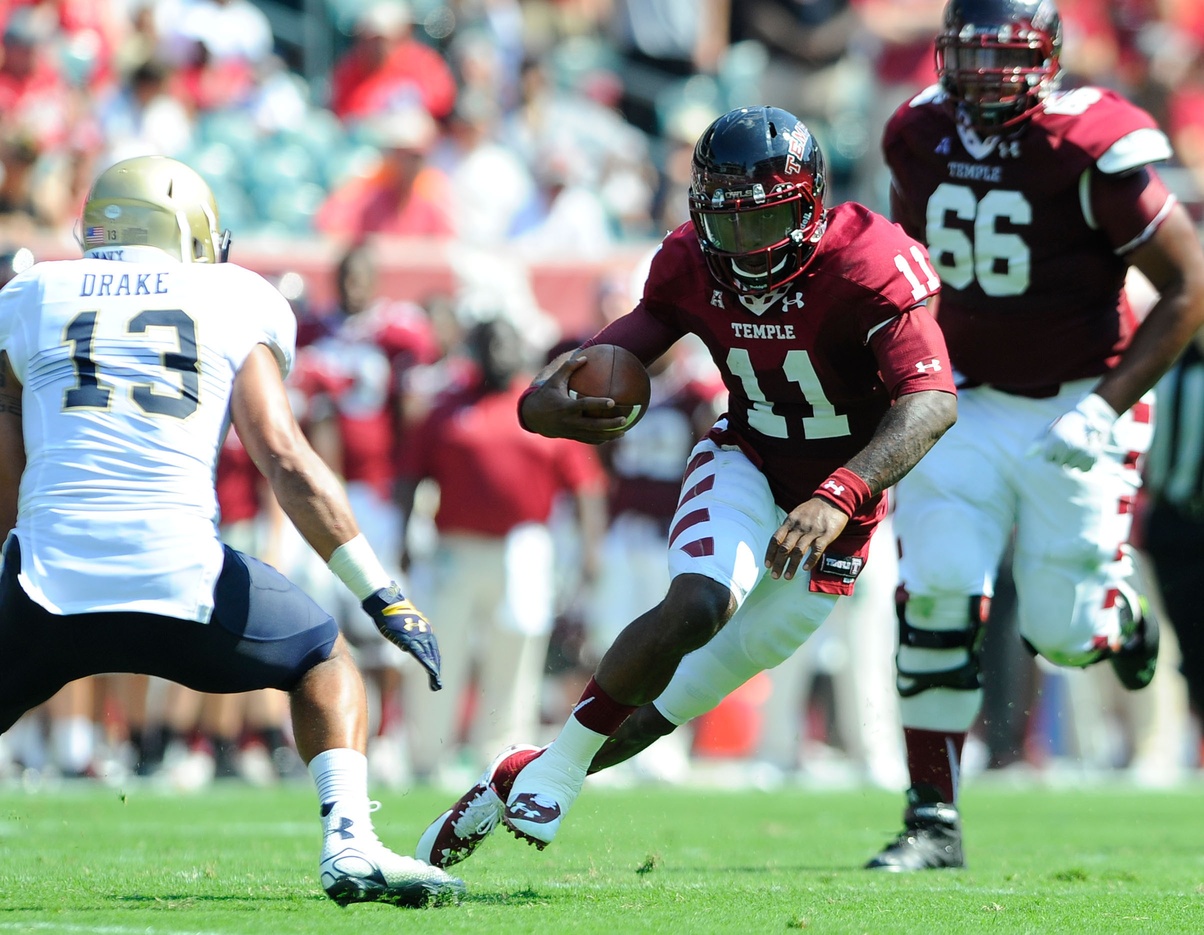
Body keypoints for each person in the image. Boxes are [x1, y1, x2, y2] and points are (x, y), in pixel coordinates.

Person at [413, 104, 958, 869]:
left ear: (810, 206)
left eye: (763, 220)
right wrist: (544, 402)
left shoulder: (870, 260)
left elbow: (932, 401)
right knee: (700, 601)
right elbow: (605, 357)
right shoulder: (689, 261)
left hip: (841, 512)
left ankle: (516, 776)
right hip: (748, 461)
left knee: (661, 709)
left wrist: (839, 493)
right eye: (726, 223)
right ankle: (560, 772)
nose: (745, 244)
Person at [0, 155, 463, 907]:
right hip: (183, 577)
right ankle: (349, 839)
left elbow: (6, 460)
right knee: (323, 659)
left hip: (47, 581)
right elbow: (285, 457)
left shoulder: (30, 294)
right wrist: (382, 593)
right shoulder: (231, 295)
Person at [866, 0, 1204, 871]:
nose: (983, 76)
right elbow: (912, 268)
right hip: (962, 400)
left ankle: (1117, 621)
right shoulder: (915, 131)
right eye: (969, 55)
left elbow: (1190, 285)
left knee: (1062, 632)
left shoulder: (1089, 143)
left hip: (1077, 399)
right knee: (936, 590)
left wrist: (1104, 406)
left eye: (1005, 56)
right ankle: (931, 819)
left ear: (1048, 59)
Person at [396, 316, 607, 784]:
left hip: (524, 546)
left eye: (505, 344)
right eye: (489, 344)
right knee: (440, 648)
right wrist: (403, 536)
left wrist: (591, 548)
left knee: (516, 648)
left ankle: (501, 758)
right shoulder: (445, 407)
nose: (497, 354)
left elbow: (585, 484)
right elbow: (411, 475)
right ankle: (427, 755)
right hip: (455, 545)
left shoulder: (544, 406)